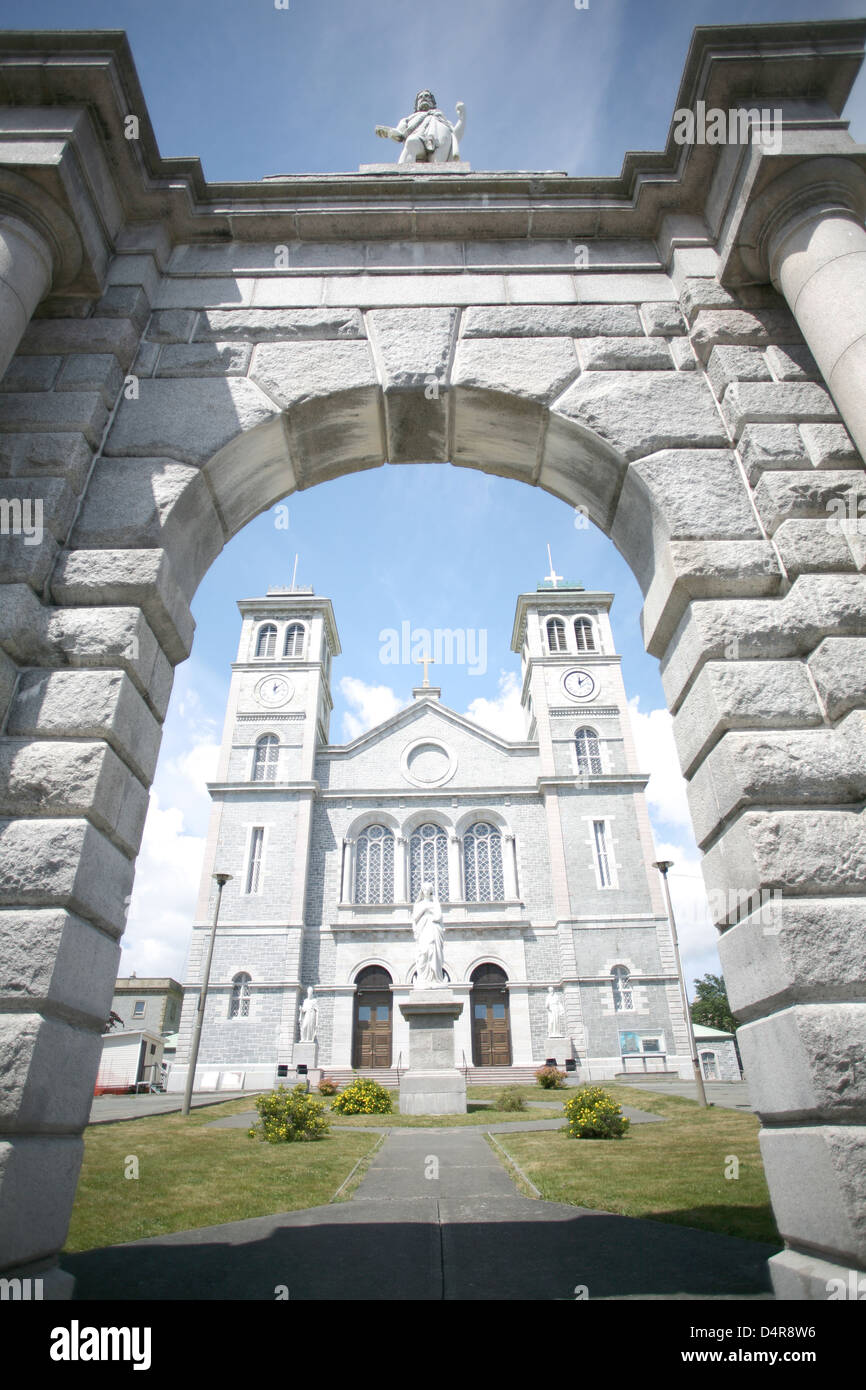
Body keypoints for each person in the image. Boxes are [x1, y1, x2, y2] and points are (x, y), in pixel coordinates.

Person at [375, 90, 466, 164]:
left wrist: (462, 117)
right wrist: (389, 132)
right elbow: (400, 135)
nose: (424, 98)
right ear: (416, 104)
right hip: (419, 139)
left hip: (441, 142)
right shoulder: (408, 119)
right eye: (420, 97)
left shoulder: (442, 119)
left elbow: (455, 137)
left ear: (433, 103)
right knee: (411, 141)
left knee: (438, 165)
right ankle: (401, 178)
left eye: (427, 96)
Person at [412, 882, 445, 986]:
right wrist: (425, 909)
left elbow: (438, 917)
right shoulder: (419, 904)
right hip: (423, 930)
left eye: (428, 889)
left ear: (431, 891)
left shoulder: (435, 904)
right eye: (424, 889)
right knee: (423, 953)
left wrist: (433, 906)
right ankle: (423, 979)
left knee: (434, 953)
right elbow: (415, 918)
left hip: (434, 929)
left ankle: (436, 978)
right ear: (422, 891)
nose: (426, 891)